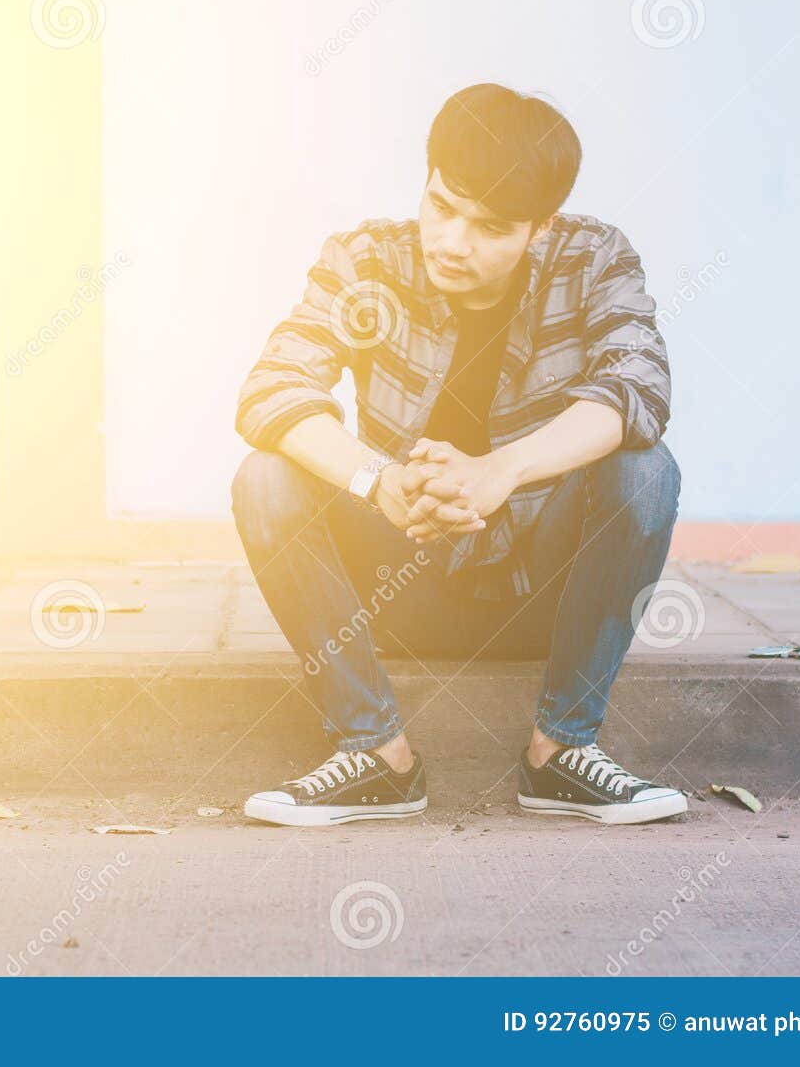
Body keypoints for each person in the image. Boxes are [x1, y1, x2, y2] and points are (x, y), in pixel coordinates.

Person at [231, 83, 687, 827]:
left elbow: (638, 387)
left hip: (537, 592)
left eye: (491, 227)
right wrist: (379, 481)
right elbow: (273, 389)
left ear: (541, 227)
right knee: (265, 477)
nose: (451, 242)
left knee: (646, 470)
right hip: (397, 584)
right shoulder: (367, 261)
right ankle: (376, 755)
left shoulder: (592, 259)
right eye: (442, 206)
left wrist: (499, 471)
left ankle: (560, 752)